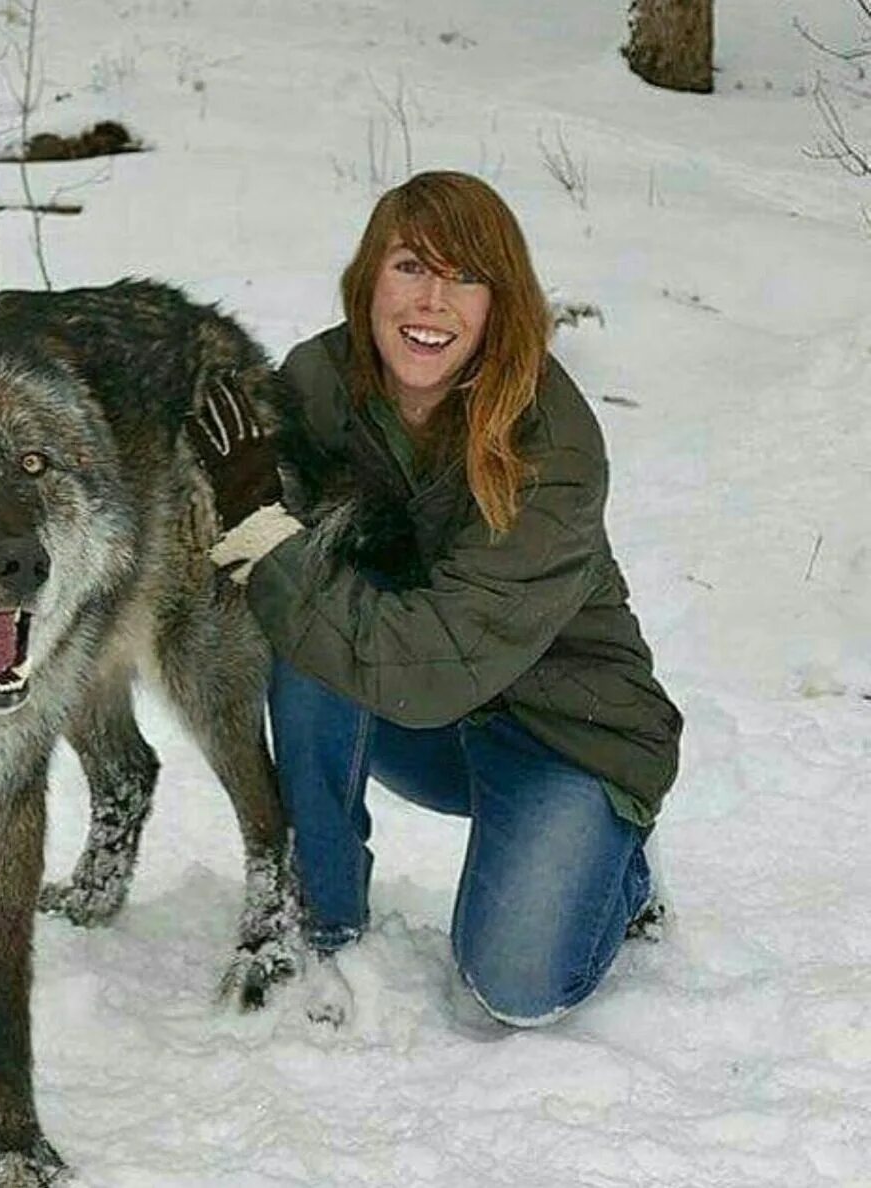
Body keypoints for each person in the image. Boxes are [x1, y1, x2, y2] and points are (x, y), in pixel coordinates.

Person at [189, 171, 682, 1028]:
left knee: (517, 988)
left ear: (502, 303)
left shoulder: (553, 443)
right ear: (368, 281)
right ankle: (330, 922)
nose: (433, 301)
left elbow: (433, 664)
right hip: (434, 725)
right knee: (311, 630)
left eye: (466, 277)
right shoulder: (319, 383)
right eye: (411, 265)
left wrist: (268, 546)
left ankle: (618, 869)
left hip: (567, 731)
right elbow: (242, 547)